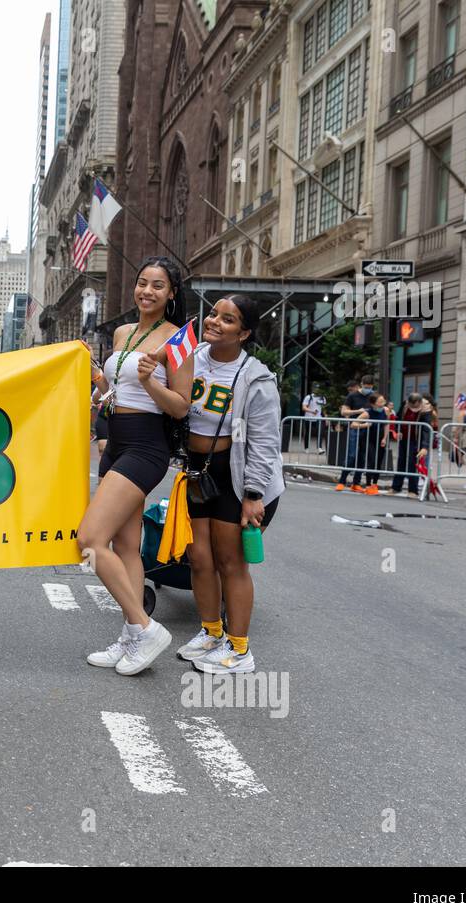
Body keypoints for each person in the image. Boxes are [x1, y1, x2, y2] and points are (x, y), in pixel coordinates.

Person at [81, 256, 193, 676]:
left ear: (171, 293)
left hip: (146, 446)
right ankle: (131, 634)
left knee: (90, 540)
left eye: (158, 285)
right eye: (143, 283)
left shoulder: (177, 341)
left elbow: (180, 408)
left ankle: (145, 629)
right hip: (117, 440)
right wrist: (101, 385)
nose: (147, 291)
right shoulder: (125, 332)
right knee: (126, 547)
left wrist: (150, 381)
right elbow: (119, 388)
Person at [176, 294, 283, 676]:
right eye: (214, 314)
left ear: (245, 332)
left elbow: (266, 440)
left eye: (229, 319)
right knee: (199, 558)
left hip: (238, 476)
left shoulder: (255, 377)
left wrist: (254, 494)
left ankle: (239, 650)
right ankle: (211, 632)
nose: (215, 322)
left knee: (230, 562)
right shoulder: (190, 359)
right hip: (196, 470)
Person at [392, 393, 437, 496]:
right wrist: (398, 430)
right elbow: (398, 418)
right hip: (404, 437)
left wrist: (425, 447)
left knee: (413, 463)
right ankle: (396, 487)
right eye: (412, 406)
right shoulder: (405, 404)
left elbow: (426, 429)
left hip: (417, 439)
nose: (413, 409)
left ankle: (413, 490)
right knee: (401, 461)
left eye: (416, 406)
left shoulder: (426, 409)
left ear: (420, 402)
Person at [336, 375, 374, 491]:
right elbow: (344, 411)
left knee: (362, 456)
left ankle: (356, 483)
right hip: (354, 428)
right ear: (361, 384)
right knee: (351, 455)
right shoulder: (352, 395)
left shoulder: (373, 395)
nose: (367, 389)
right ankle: (342, 481)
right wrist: (358, 411)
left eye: (370, 387)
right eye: (365, 386)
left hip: (368, 428)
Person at [361, 392, 391, 494]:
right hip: (368, 439)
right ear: (373, 404)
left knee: (378, 462)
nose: (383, 403)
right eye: (380, 402)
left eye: (383, 401)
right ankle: (368, 484)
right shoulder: (367, 413)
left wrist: (385, 438)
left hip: (380, 439)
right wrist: (365, 425)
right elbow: (353, 424)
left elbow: (387, 425)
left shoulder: (386, 411)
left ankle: (375, 484)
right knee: (372, 461)